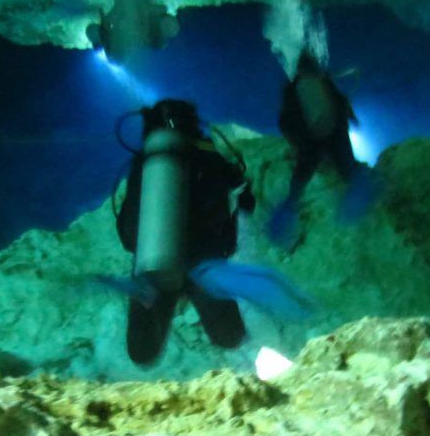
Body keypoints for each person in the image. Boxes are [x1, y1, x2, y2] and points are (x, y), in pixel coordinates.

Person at [114, 99, 255, 364]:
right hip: (205, 262)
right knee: (230, 336)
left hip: (154, 261)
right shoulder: (211, 158)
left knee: (142, 352)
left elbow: (127, 228)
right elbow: (244, 201)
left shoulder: (145, 163)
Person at [269, 50, 368, 244]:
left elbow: (286, 121)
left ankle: (286, 215)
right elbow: (340, 102)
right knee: (344, 167)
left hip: (317, 141)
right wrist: (350, 117)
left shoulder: (300, 88)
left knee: (302, 178)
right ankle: (357, 193)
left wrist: (296, 141)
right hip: (327, 137)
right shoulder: (319, 83)